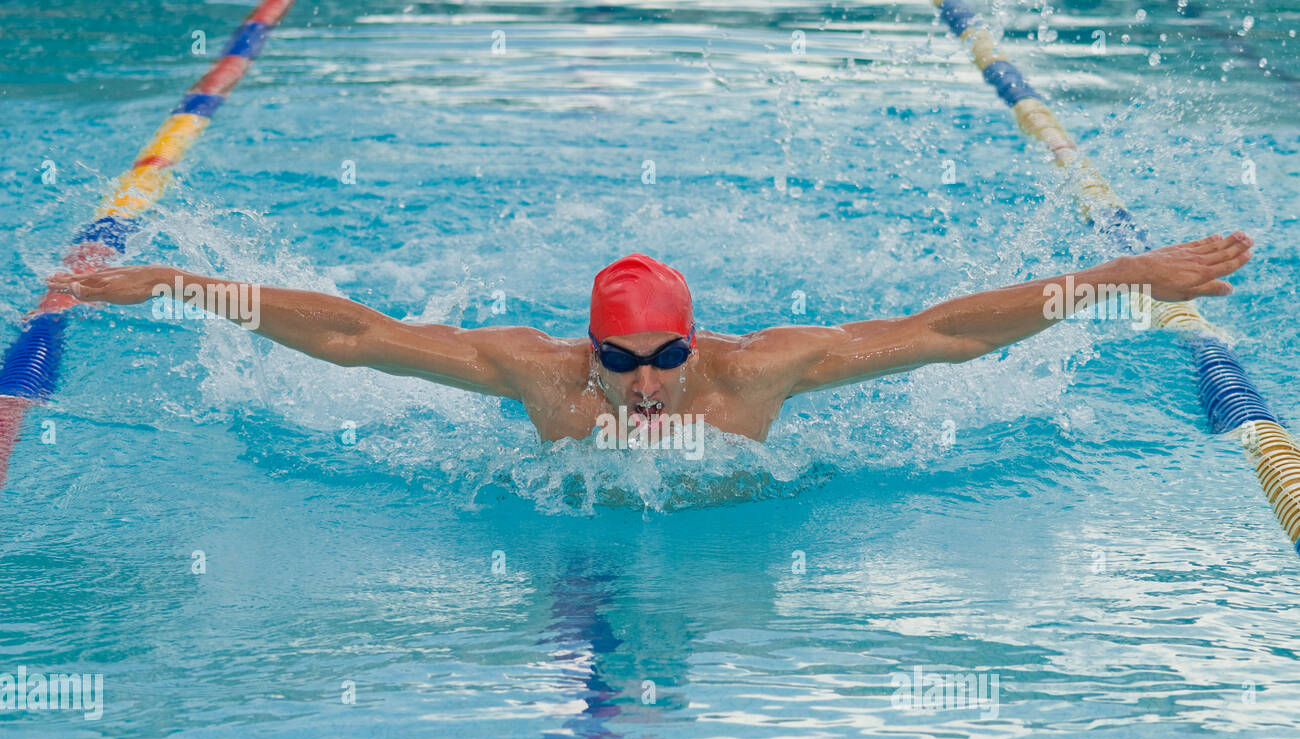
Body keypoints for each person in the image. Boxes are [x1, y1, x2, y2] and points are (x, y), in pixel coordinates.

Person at [46, 231, 1253, 442]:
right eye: (616, 360)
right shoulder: (539, 373)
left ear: (694, 346)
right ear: (588, 351)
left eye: (657, 359)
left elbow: (944, 336)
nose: (637, 385)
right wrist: (176, 285)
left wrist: (1117, 278)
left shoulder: (760, 370)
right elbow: (358, 340)